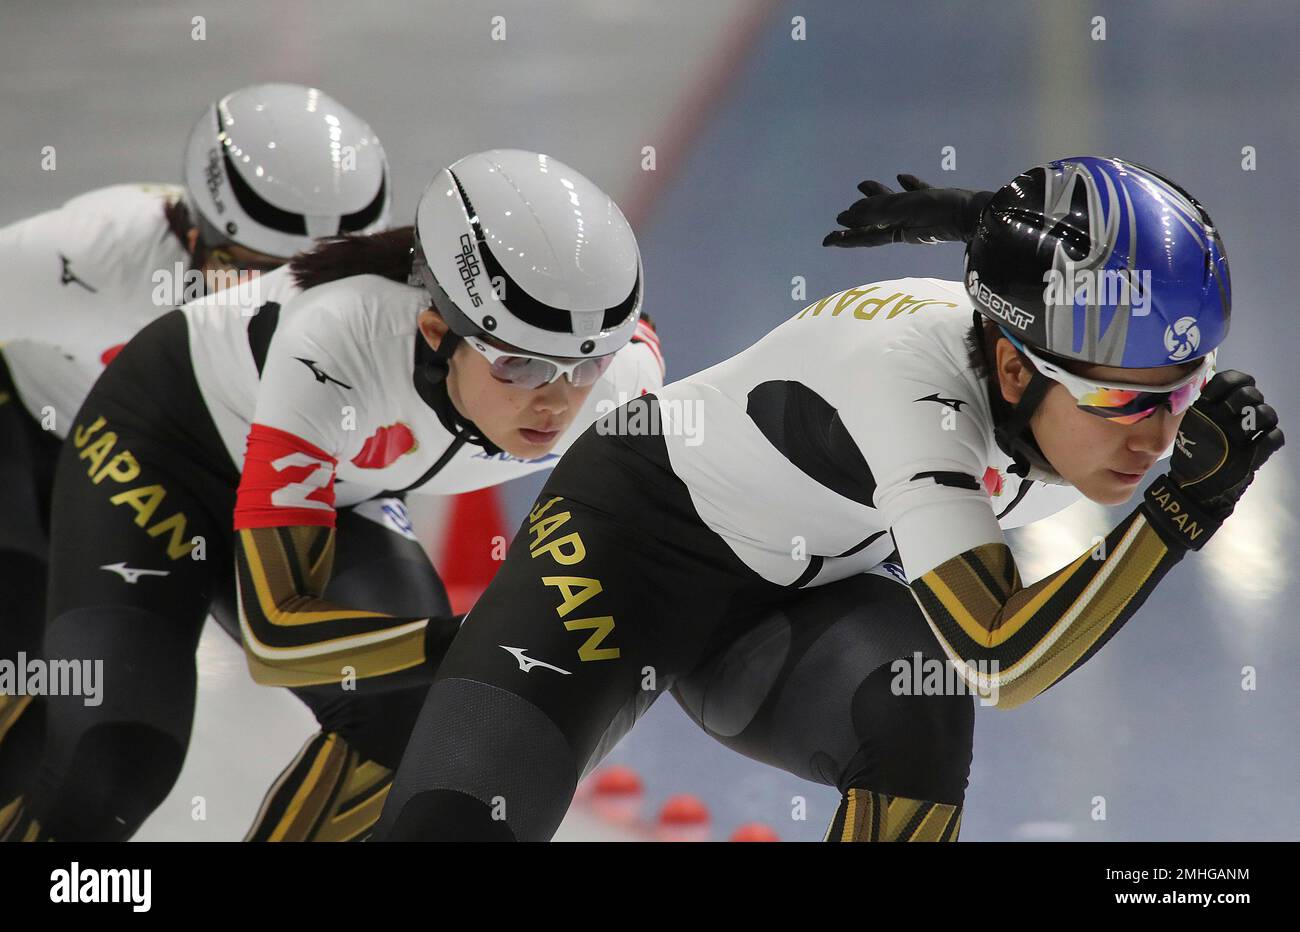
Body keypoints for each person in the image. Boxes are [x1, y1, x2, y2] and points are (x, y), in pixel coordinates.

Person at [373, 156, 1282, 842]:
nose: (1159, 436)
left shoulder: (1044, 351)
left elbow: (1083, 247)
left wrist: (979, 217)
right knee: (451, 825)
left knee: (915, 701)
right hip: (629, 547)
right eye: (1120, 399)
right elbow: (1002, 658)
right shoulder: (913, 395)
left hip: (796, 594)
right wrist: (1178, 518)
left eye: (1182, 391)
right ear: (1010, 365)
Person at [2, 149, 663, 841]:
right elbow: (277, 635)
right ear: (437, 333)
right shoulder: (334, 342)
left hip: (342, 483)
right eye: (519, 364)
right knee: (115, 754)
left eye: (585, 365)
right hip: (169, 448)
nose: (556, 403)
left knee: (408, 724)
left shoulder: (626, 387)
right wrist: (473, 640)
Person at [0, 82, 390, 839]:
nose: (280, 297)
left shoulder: (384, 313)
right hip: (42, 439)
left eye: (320, 278)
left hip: (208, 476)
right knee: (39, 701)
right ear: (192, 230)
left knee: (405, 704)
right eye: (253, 267)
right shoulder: (94, 249)